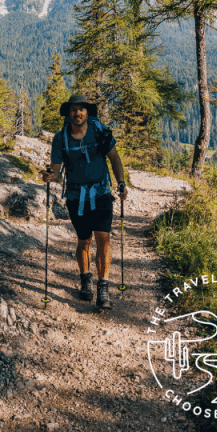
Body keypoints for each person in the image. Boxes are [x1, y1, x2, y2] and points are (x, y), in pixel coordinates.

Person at [44, 93, 128, 309]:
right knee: (84, 240)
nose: (77, 113)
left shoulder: (100, 131)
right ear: (68, 113)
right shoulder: (60, 138)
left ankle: (103, 287)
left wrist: (121, 183)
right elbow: (54, 171)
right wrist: (48, 176)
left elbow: (114, 157)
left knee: (103, 238)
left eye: (81, 109)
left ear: (87, 112)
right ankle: (85, 280)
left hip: (101, 193)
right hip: (75, 197)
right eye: (74, 109)